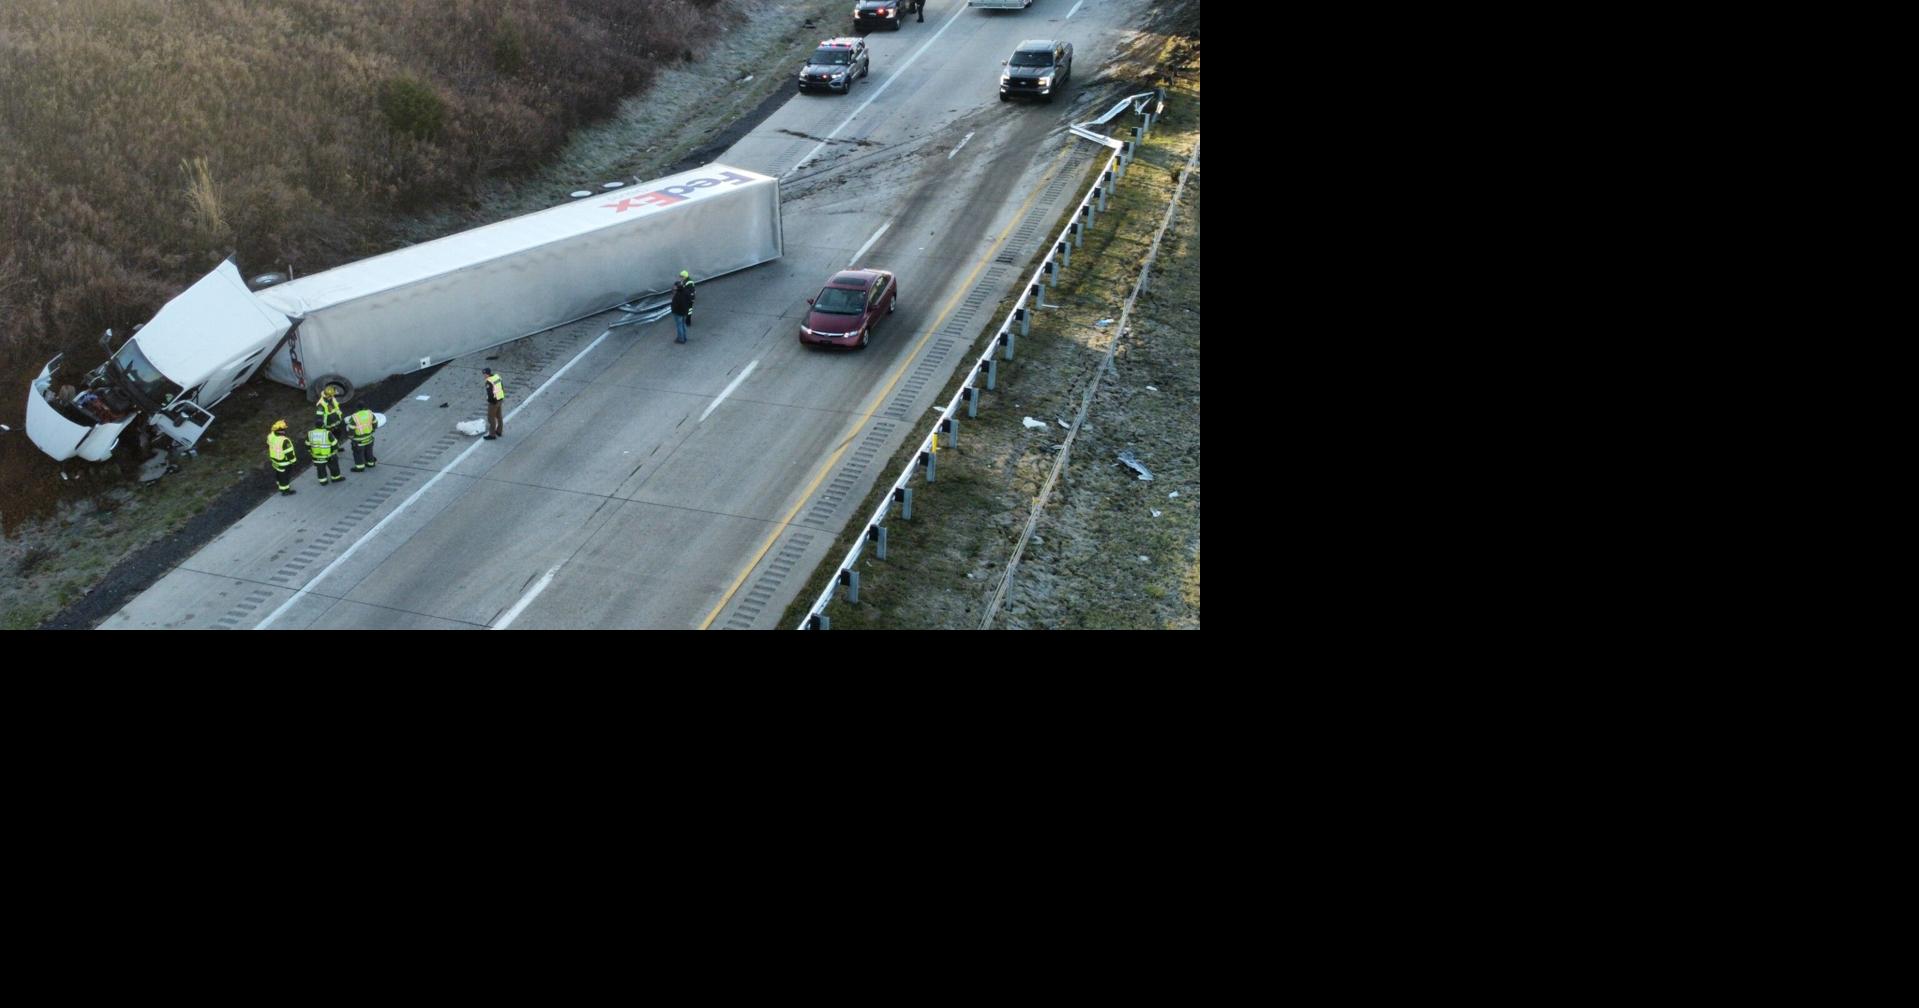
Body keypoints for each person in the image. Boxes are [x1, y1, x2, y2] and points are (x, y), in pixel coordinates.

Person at [267, 419, 298, 495]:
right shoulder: (284, 440)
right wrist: (293, 461)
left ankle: (279, 483)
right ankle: (285, 490)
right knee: (285, 476)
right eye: (284, 429)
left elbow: (269, 444)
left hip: (275, 460)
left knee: (279, 472)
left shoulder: (270, 436)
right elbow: (289, 453)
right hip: (284, 462)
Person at [346, 405, 378, 471]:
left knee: (358, 453)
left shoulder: (354, 417)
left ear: (357, 408)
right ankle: (371, 463)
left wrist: (351, 436)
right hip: (369, 438)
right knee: (369, 451)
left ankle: (360, 467)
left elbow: (351, 429)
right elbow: (375, 423)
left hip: (359, 440)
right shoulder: (370, 413)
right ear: (364, 407)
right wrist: (373, 429)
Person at [671, 270, 696, 343]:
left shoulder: (677, 295)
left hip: (678, 312)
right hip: (684, 311)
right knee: (683, 324)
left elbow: (675, 304)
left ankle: (681, 339)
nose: (681, 278)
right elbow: (689, 298)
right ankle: (684, 337)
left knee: (679, 326)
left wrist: (673, 309)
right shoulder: (685, 291)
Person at [482, 367, 506, 439]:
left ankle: (492, 435)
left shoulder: (489, 381)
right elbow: (502, 387)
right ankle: (499, 431)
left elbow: (490, 394)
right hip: (500, 398)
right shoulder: (497, 377)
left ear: (487, 374)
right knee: (499, 416)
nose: (484, 375)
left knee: (491, 418)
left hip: (494, 402)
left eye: (484, 374)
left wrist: (491, 401)